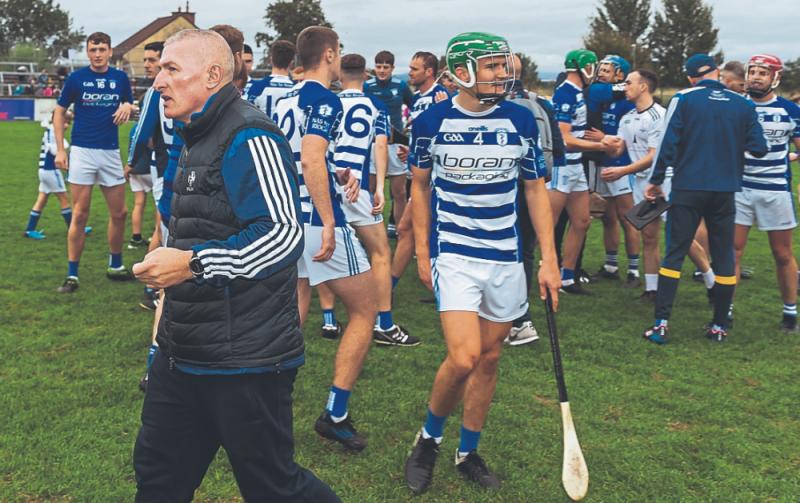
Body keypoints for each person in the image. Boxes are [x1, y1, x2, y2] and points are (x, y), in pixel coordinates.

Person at [130, 29, 339, 502]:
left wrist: (193, 264)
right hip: (183, 351)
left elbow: (284, 234)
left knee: (273, 488)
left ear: (213, 75)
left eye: (171, 70)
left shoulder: (248, 134)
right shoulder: (194, 133)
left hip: (245, 360)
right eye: (160, 68)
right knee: (158, 476)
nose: (158, 81)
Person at [403, 32, 560, 494]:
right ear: (464, 72)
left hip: (505, 256)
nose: (503, 73)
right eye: (492, 66)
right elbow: (419, 187)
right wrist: (421, 251)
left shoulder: (521, 120)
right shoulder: (430, 122)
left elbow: (535, 190)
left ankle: (467, 450)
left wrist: (549, 261)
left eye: (503, 65)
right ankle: (429, 440)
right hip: (454, 253)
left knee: (489, 358)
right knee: (464, 355)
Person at [273, 26, 377, 451]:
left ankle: (266, 405)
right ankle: (335, 413)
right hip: (316, 221)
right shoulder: (324, 98)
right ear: (330, 54)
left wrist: (335, 170)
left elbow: (298, 156)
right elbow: (311, 154)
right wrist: (332, 220)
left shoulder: (283, 98)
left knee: (290, 318)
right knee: (367, 310)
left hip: (285, 219)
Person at [642, 54, 768, 344]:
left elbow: (667, 142)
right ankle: (719, 326)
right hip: (725, 189)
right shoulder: (744, 103)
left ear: (690, 77)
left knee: (675, 252)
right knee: (723, 255)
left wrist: (656, 180)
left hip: (688, 186)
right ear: (718, 72)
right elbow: (759, 147)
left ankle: (661, 325)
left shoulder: (684, 98)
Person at [319, 53, 419, 346]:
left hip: (330, 185)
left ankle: (328, 319)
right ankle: (384, 324)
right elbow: (380, 146)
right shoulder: (375, 106)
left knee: (324, 251)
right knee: (379, 252)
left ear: (339, 75)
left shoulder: (328, 103)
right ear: (366, 74)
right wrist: (378, 188)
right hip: (359, 188)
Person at [53, 32, 134, 293]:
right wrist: (60, 150)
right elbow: (59, 111)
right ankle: (72, 274)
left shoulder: (120, 78)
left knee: (120, 213)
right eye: (92, 49)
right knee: (80, 213)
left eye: (101, 49)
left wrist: (127, 106)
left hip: (110, 152)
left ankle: (115, 265)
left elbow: (129, 102)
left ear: (110, 51)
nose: (97, 54)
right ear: (87, 52)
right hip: (82, 152)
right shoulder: (77, 79)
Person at [734, 54, 800, 331]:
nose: (756, 77)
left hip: (776, 190)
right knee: (732, 251)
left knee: (782, 253)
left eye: (763, 72)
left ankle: (790, 312)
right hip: (740, 189)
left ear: (775, 78)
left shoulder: (789, 110)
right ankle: (724, 311)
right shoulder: (736, 107)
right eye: (753, 72)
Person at [504, 52, 566, 346]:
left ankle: (510, 317)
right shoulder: (541, 103)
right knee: (525, 251)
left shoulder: (491, 107)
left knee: (502, 251)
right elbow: (558, 152)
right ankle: (520, 317)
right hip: (535, 184)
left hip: (502, 189)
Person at [548, 49, 620, 295]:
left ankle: (568, 277)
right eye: (593, 67)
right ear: (583, 67)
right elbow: (565, 138)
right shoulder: (566, 94)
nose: (595, 72)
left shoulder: (577, 93)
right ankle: (538, 271)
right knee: (548, 225)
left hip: (575, 165)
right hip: (562, 166)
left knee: (582, 221)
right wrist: (601, 144)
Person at [390, 51, 450, 291]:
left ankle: (389, 287)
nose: (410, 72)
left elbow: (446, 139)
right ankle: (390, 286)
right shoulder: (417, 98)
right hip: (420, 174)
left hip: (435, 179)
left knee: (409, 229)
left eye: (415, 69)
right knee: (408, 230)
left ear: (429, 72)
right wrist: (410, 150)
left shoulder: (441, 97)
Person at [584, 55, 642, 288]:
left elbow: (628, 138)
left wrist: (603, 138)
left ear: (620, 75)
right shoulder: (601, 95)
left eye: (608, 70)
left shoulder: (628, 102)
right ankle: (610, 266)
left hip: (620, 165)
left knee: (628, 218)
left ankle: (634, 271)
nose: (601, 73)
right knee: (608, 217)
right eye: (601, 69)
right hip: (601, 163)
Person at [126, 40, 172, 312]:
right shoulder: (157, 92)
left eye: (152, 60)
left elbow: (143, 134)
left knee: (162, 229)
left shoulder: (159, 90)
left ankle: (151, 285)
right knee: (167, 232)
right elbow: (142, 133)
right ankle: (155, 288)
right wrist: (131, 162)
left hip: (169, 169)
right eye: (146, 60)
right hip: (168, 171)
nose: (147, 65)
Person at [363, 50, 414, 236]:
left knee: (399, 193)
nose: (382, 70)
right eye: (378, 66)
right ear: (374, 67)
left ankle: (400, 230)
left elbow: (415, 106)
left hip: (395, 146)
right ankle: (370, 231)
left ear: (392, 68)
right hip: (375, 144)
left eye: (386, 67)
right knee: (368, 191)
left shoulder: (400, 86)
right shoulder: (367, 86)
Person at [24, 112, 92, 240]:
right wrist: (65, 147)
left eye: (69, 123)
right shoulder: (52, 131)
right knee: (64, 200)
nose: (67, 126)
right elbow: (54, 151)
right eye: (65, 122)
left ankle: (29, 230)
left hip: (44, 170)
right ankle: (76, 229)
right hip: (50, 171)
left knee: (41, 200)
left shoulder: (51, 130)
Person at [247, 40, 296, 118]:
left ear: (271, 60)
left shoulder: (257, 87)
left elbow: (247, 114)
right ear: (291, 63)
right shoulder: (297, 88)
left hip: (265, 129)